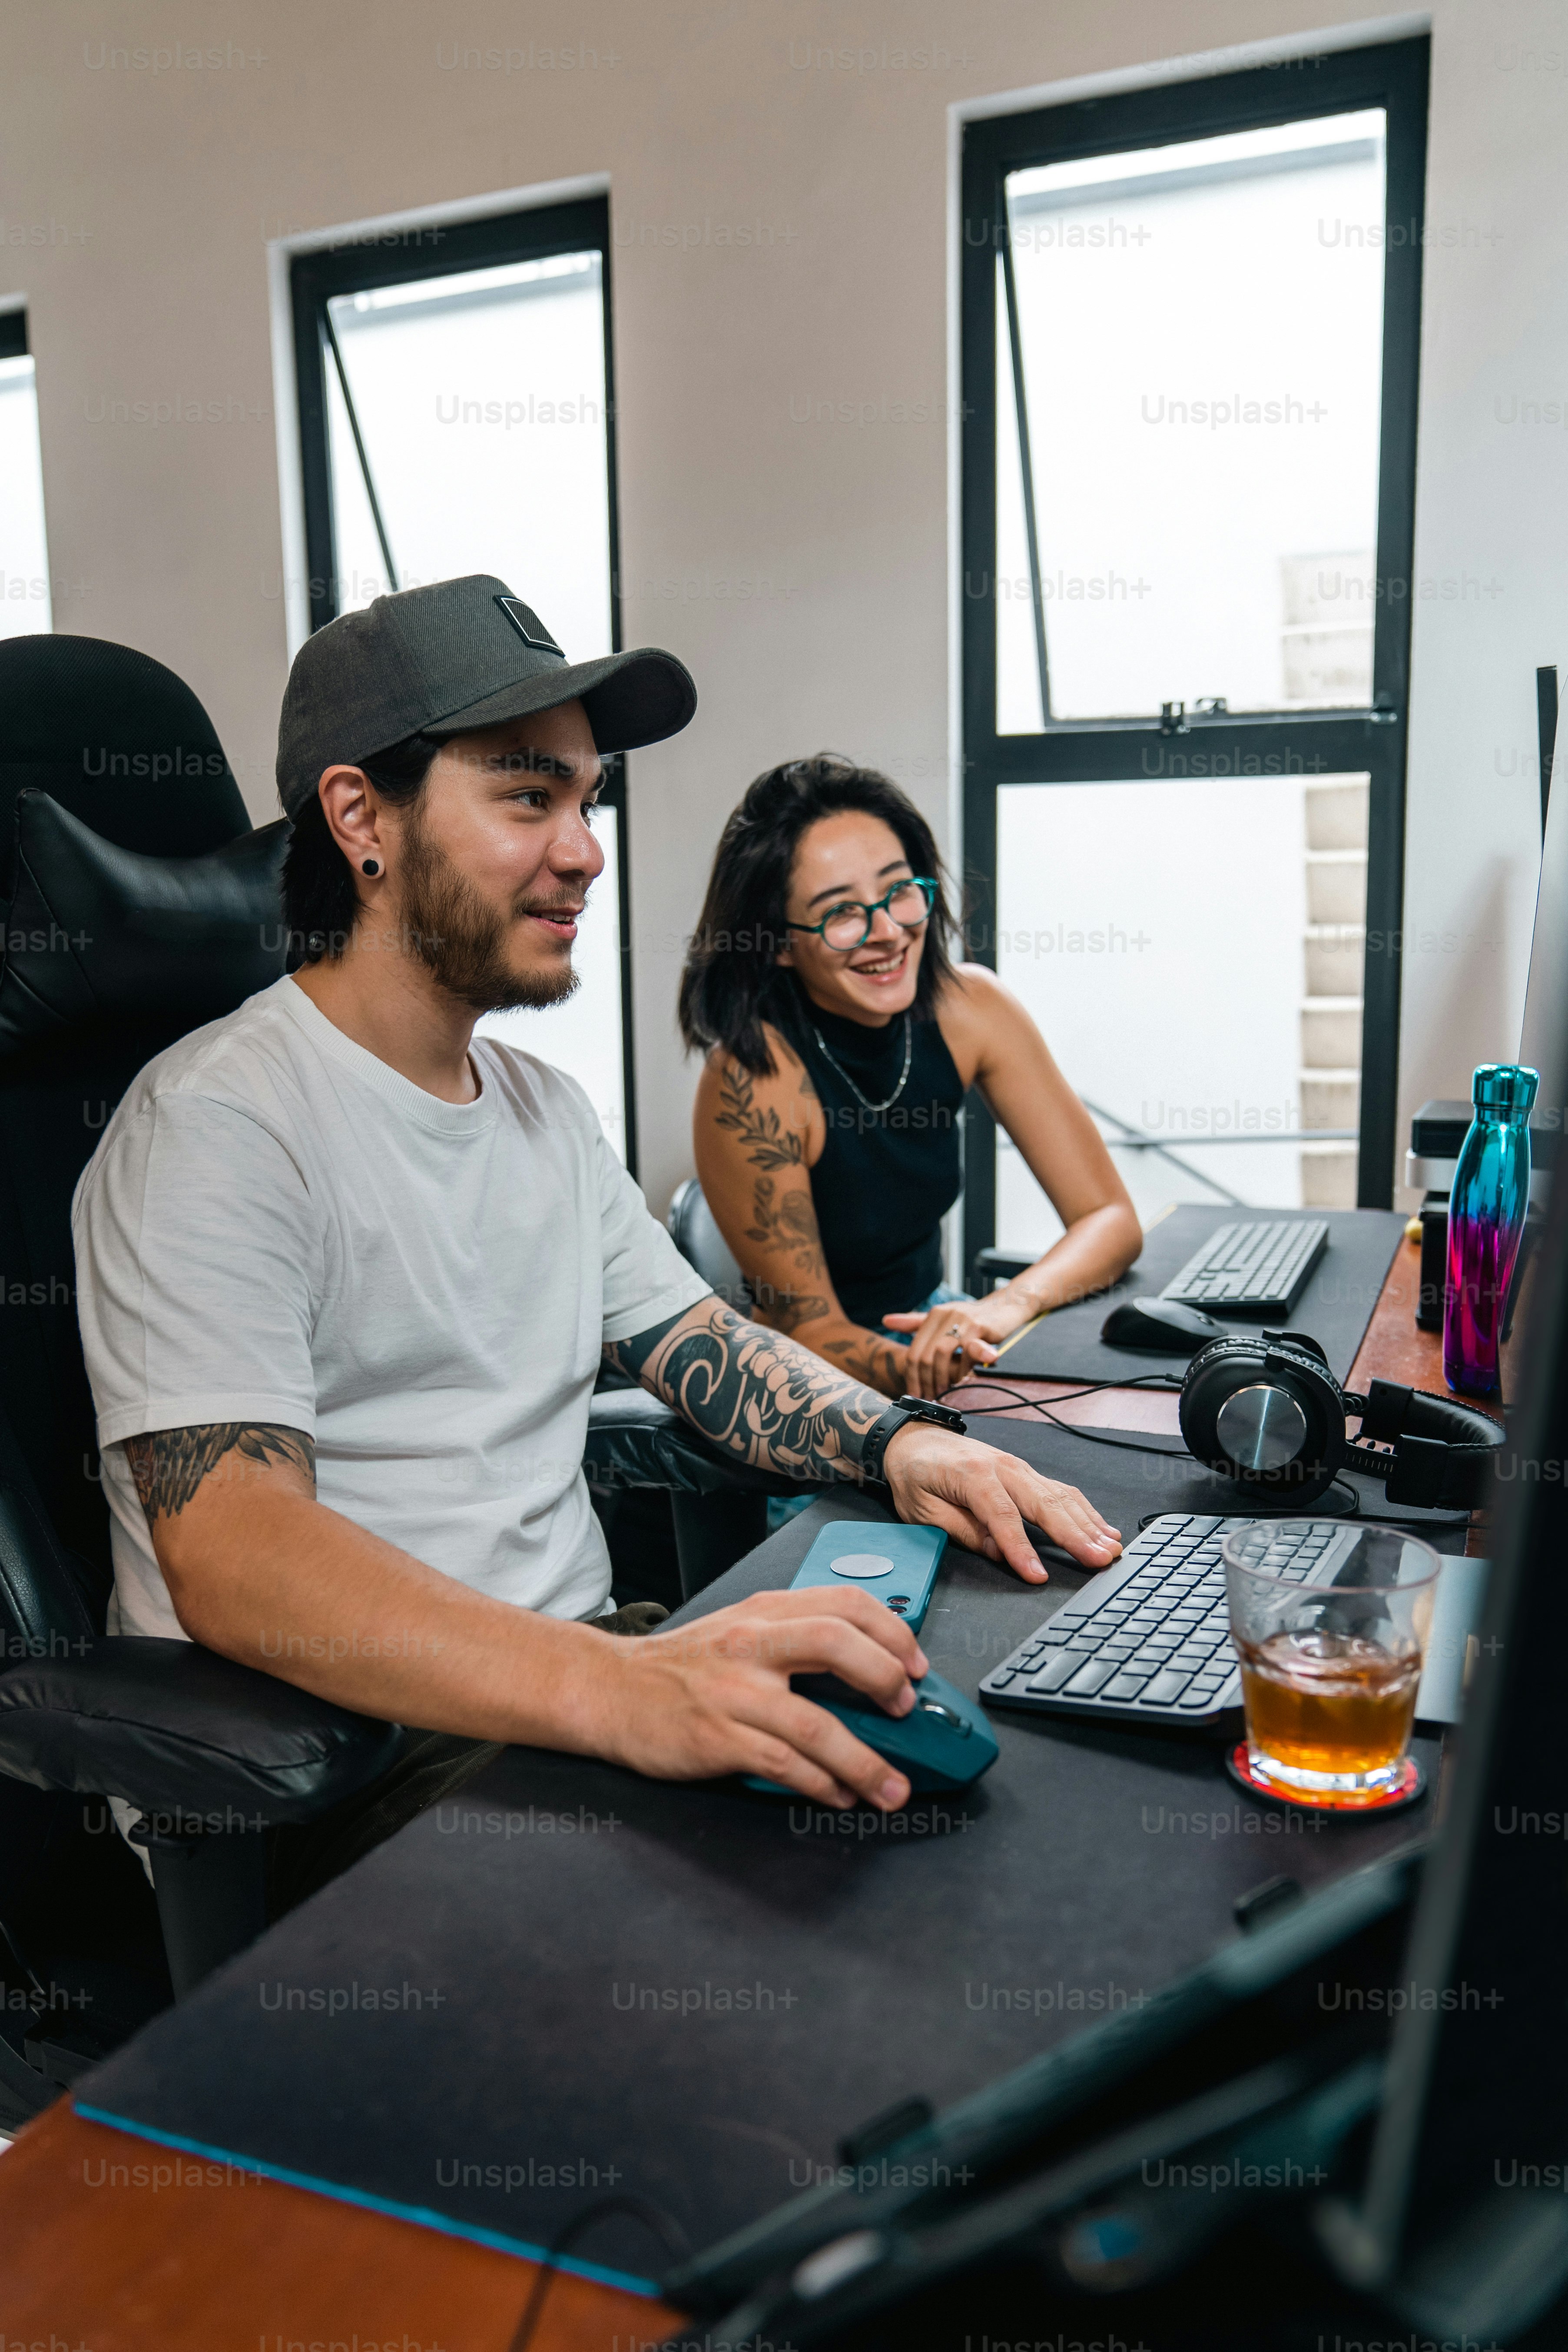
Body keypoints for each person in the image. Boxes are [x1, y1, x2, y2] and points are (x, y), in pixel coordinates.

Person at [73, 579, 1123, 1907]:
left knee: (974, 1813)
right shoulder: (213, 1124)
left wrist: (903, 1443)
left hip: (577, 1680)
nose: (585, 850)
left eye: (588, 800)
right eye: (528, 797)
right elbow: (234, 1558)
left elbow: (701, 1343)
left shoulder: (541, 1112)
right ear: (360, 818)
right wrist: (621, 1686)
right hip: (355, 1771)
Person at [681, 754, 1142, 1400]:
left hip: (938, 1331)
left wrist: (998, 1312)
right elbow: (808, 1330)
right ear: (777, 943)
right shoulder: (753, 1078)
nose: (889, 931)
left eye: (899, 890)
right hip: (813, 1383)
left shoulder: (972, 1007)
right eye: (840, 912)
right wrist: (927, 1367)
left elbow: (1109, 1217)